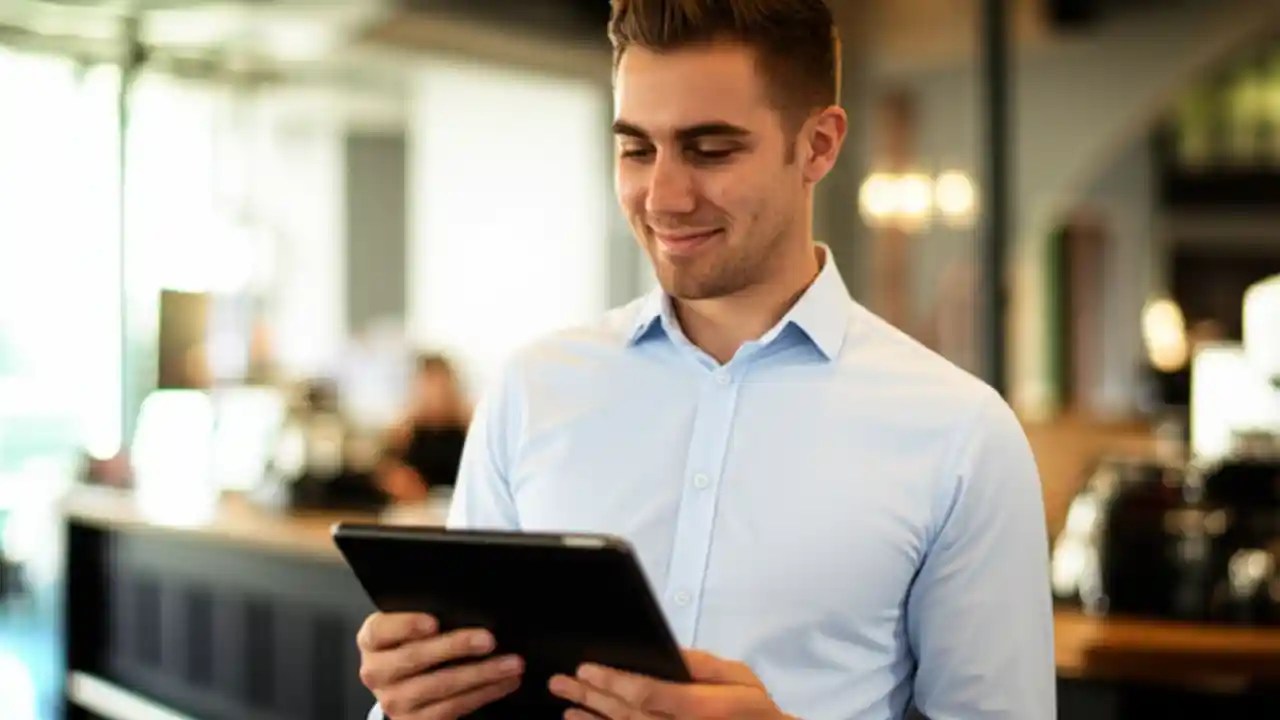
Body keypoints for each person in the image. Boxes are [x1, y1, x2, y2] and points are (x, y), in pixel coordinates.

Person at [356, 1, 1055, 718]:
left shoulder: (963, 436)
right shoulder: (533, 391)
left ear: (817, 145)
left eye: (711, 150)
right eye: (636, 150)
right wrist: (410, 705)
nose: (663, 197)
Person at [375, 353, 471, 507]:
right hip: (415, 511)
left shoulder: (469, 429)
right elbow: (387, 472)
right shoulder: (404, 433)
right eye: (429, 385)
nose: (435, 395)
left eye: (441, 386)